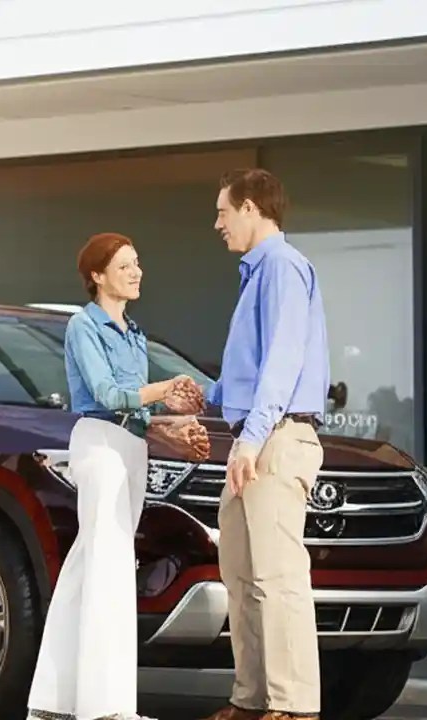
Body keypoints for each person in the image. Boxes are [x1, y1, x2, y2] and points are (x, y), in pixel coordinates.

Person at [26, 232, 210, 720]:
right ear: (97, 275)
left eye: (138, 263)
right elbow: (108, 395)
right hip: (100, 445)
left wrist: (172, 426)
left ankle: (53, 700)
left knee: (89, 566)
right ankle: (107, 709)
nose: (137, 272)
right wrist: (166, 390)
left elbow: (139, 408)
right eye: (125, 265)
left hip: (130, 446)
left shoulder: (135, 333)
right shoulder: (83, 327)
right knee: (108, 568)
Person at [200, 169, 330, 720]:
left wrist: (250, 440)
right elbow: (250, 373)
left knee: (278, 578)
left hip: (273, 439)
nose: (218, 224)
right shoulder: (256, 274)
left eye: (223, 212)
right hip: (253, 438)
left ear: (251, 208)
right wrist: (203, 396)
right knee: (242, 574)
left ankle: (294, 707)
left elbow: (283, 359)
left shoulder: (280, 266)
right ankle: (251, 701)